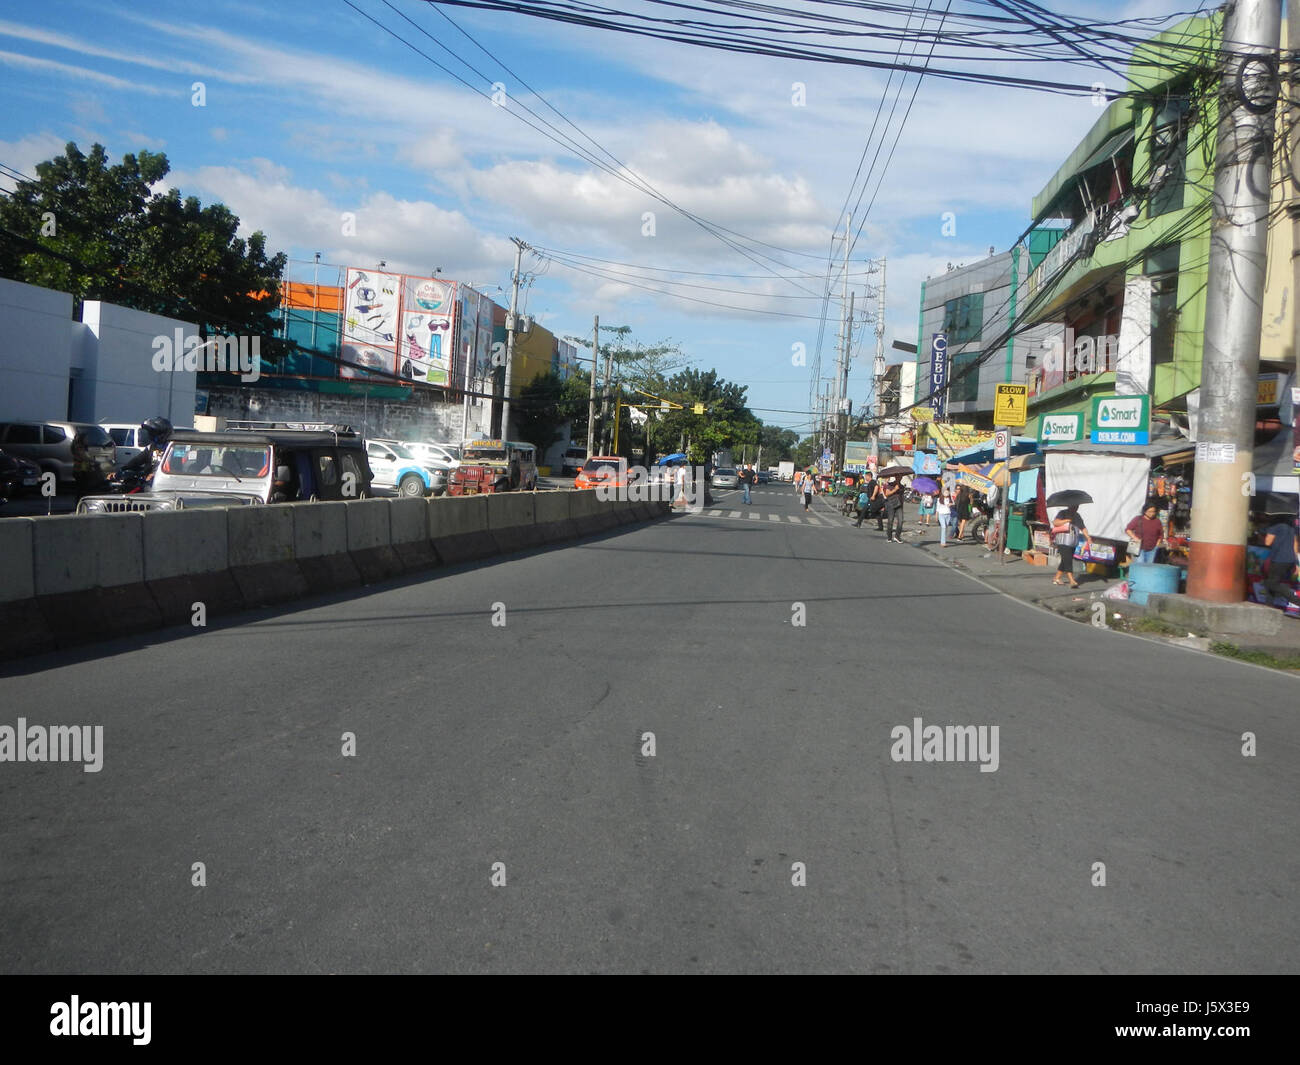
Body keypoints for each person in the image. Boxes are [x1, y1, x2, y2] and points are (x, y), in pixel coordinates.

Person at [1261, 518, 1300, 615]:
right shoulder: (1292, 526)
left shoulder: (1275, 525)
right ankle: (1268, 607)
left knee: (1271, 584)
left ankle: (1296, 601)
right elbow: (1295, 544)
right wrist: (1296, 562)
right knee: (1272, 582)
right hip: (1290, 559)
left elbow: (1267, 542)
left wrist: (1262, 536)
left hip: (1278, 559)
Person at [1050, 506, 1093, 589]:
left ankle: (1057, 578)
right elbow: (1055, 523)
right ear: (1069, 505)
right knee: (1068, 560)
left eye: (1077, 506)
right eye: (1074, 506)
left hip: (1073, 542)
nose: (1075, 508)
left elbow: (1082, 527)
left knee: (1065, 560)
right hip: (1062, 541)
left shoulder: (1077, 516)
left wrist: (1088, 537)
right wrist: (1067, 520)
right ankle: (1071, 580)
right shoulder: (1062, 513)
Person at [882, 477, 904, 543]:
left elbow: (901, 496)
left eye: (900, 477)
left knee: (901, 520)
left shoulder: (902, 486)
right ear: (895, 477)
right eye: (898, 477)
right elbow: (887, 494)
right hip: (891, 504)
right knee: (890, 520)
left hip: (899, 504)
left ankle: (897, 536)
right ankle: (889, 537)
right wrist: (895, 489)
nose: (899, 478)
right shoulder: (890, 485)